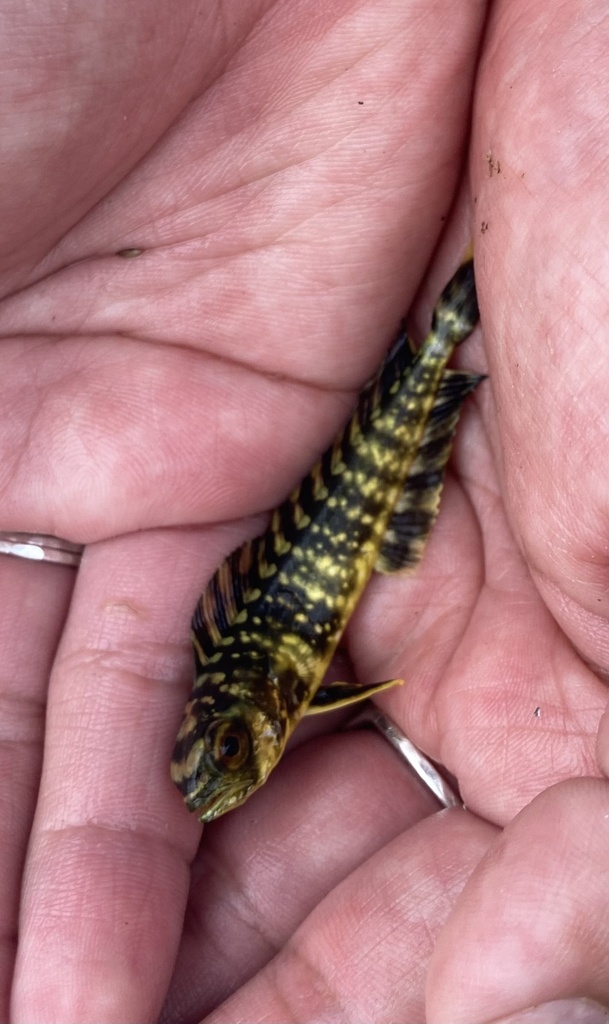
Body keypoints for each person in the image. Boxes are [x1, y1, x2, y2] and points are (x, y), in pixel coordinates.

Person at [0, 1, 606, 1021]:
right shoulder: (268, 680)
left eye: (233, 751)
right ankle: (441, 346)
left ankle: (445, 338)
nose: (226, 780)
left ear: (263, 712)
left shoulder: (277, 679)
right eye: (229, 755)